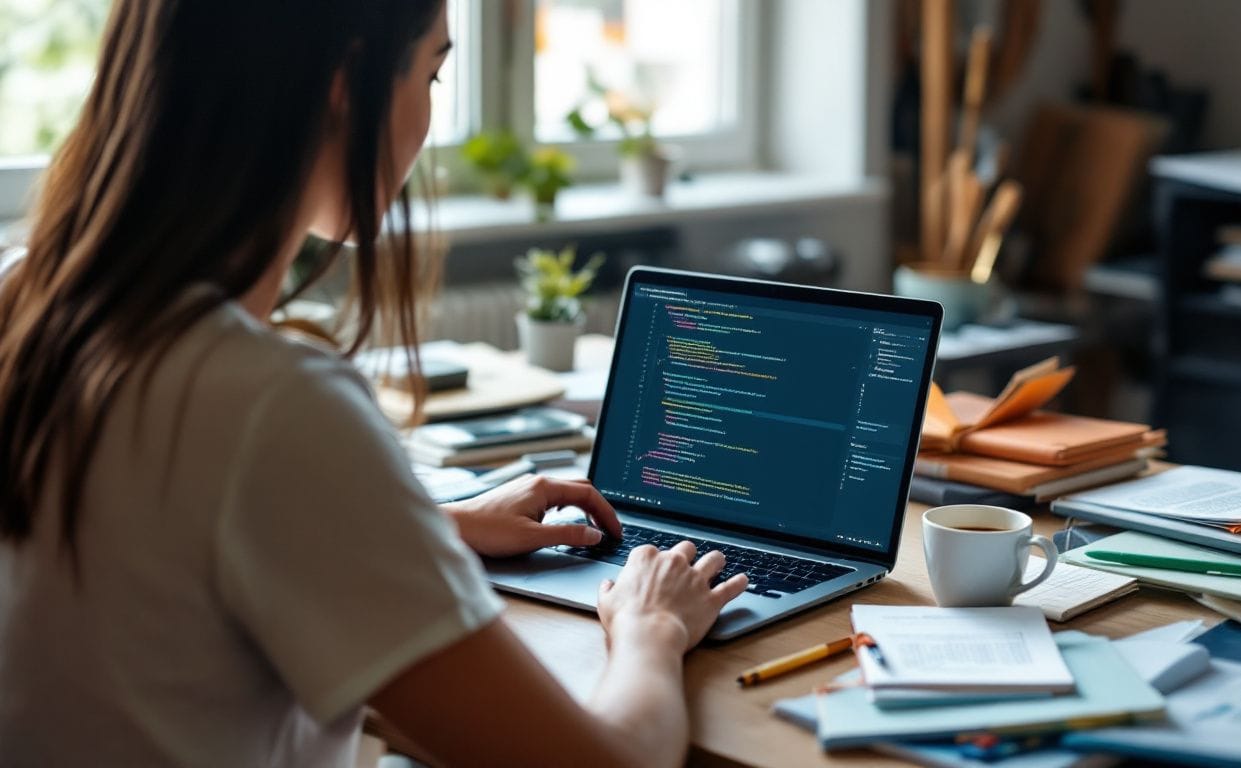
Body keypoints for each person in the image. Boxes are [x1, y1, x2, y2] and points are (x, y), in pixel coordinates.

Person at [0, 1, 749, 766]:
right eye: (431, 71)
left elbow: (167, 535)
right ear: (346, 82)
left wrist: (433, 526)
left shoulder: (26, 302)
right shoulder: (269, 401)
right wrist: (653, 627)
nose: (428, 114)